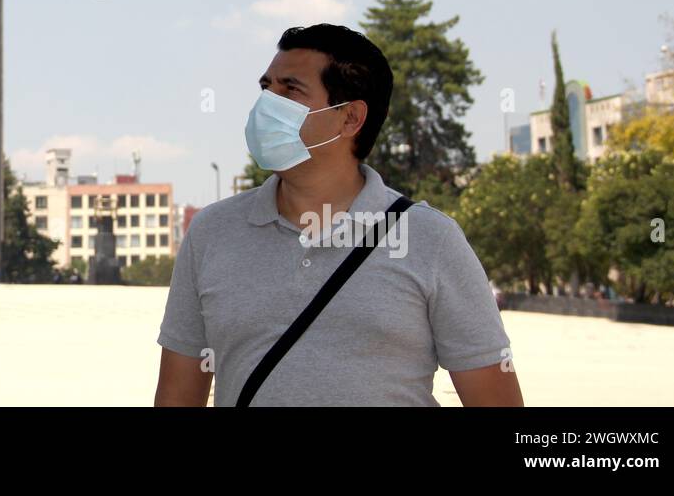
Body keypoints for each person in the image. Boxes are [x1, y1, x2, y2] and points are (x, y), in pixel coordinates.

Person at [154, 24, 524, 407]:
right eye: (267, 87)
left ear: (350, 119)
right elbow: (176, 397)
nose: (267, 104)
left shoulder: (432, 240)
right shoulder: (211, 233)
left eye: (290, 90)